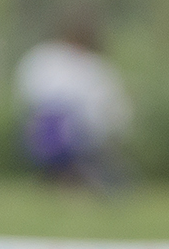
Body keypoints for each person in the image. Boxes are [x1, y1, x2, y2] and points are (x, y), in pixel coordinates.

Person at [15, 14, 132, 191]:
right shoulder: (84, 65)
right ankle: (74, 179)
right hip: (63, 134)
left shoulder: (43, 57)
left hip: (56, 134)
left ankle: (70, 179)